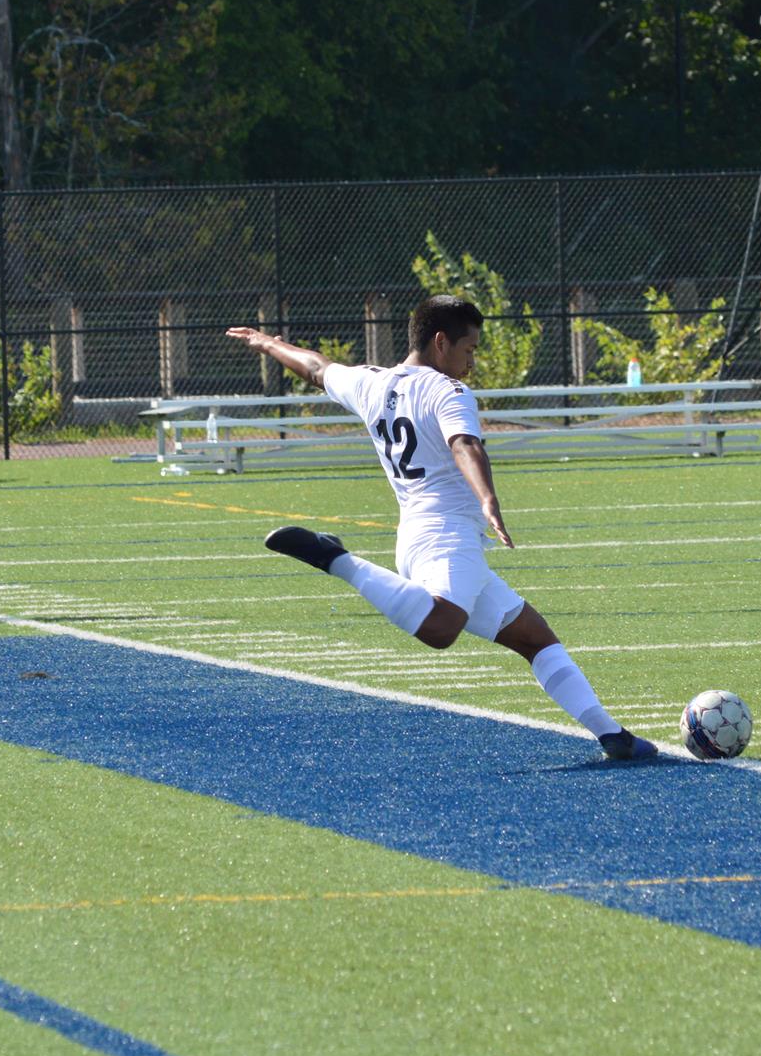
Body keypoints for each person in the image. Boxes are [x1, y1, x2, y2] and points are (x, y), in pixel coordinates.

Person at [228, 294, 659, 760]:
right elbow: (464, 445)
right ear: (440, 343)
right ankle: (338, 559)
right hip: (449, 537)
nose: (471, 363)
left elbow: (315, 367)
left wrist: (268, 343)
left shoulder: (373, 382)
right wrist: (488, 497)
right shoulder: (447, 391)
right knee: (440, 627)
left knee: (534, 637)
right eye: (469, 350)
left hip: (414, 540)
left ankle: (611, 735)